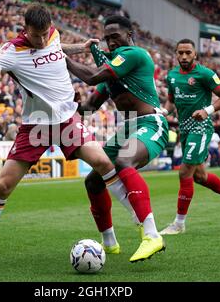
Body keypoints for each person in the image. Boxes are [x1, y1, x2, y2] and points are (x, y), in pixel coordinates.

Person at [0, 4, 118, 266]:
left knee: (104, 163)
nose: (41, 40)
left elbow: (56, 50)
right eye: (35, 35)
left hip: (66, 120)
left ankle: (114, 238)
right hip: (35, 127)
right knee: (4, 186)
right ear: (25, 28)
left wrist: (81, 47)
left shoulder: (53, 35)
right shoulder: (13, 50)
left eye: (44, 33)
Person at [66, 15, 168, 262]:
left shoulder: (134, 54)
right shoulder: (112, 72)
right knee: (93, 181)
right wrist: (74, 106)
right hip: (128, 128)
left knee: (124, 161)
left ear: (129, 35)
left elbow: (92, 76)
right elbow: (90, 107)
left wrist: (63, 58)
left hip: (151, 123)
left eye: (115, 37)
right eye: (107, 38)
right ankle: (109, 243)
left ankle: (152, 236)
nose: (111, 42)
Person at [159, 39, 220, 235]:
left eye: (188, 53)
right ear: (176, 54)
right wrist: (163, 113)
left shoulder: (205, 74)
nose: (184, 56)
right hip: (184, 129)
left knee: (184, 173)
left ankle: (179, 224)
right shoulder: (172, 75)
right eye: (180, 53)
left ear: (195, 55)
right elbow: (171, 101)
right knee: (199, 176)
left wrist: (207, 110)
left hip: (201, 128)